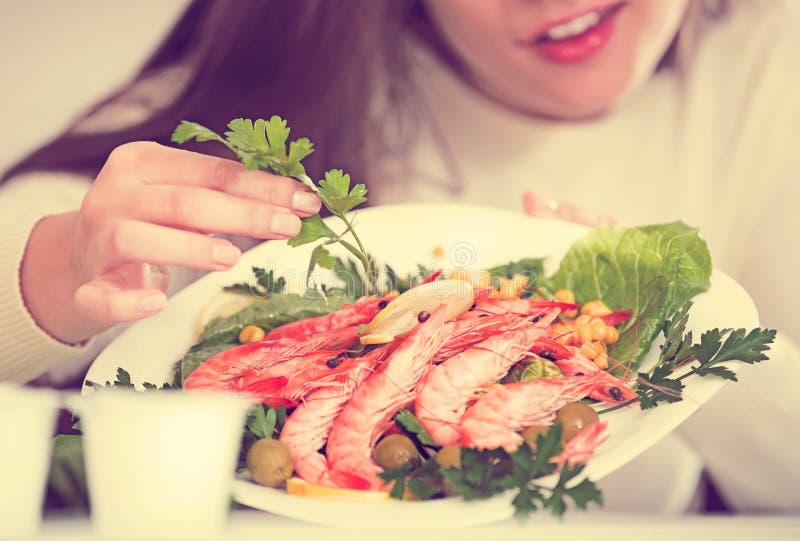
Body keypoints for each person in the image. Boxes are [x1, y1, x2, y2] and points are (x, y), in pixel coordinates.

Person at [1, 0, 798, 513]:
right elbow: (53, 214)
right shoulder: (312, 72)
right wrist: (54, 271)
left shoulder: (772, 67)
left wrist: (686, 347)